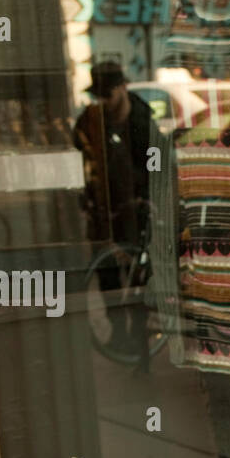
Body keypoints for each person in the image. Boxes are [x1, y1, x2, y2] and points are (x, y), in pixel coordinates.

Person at [74, 61, 153, 359]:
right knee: (107, 277)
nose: (104, 102)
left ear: (122, 88)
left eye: (108, 94)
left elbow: (156, 164)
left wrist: (145, 196)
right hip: (104, 211)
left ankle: (138, 340)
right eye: (100, 96)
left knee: (137, 279)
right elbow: (78, 152)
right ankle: (120, 335)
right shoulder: (91, 121)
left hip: (136, 210)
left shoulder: (141, 119)